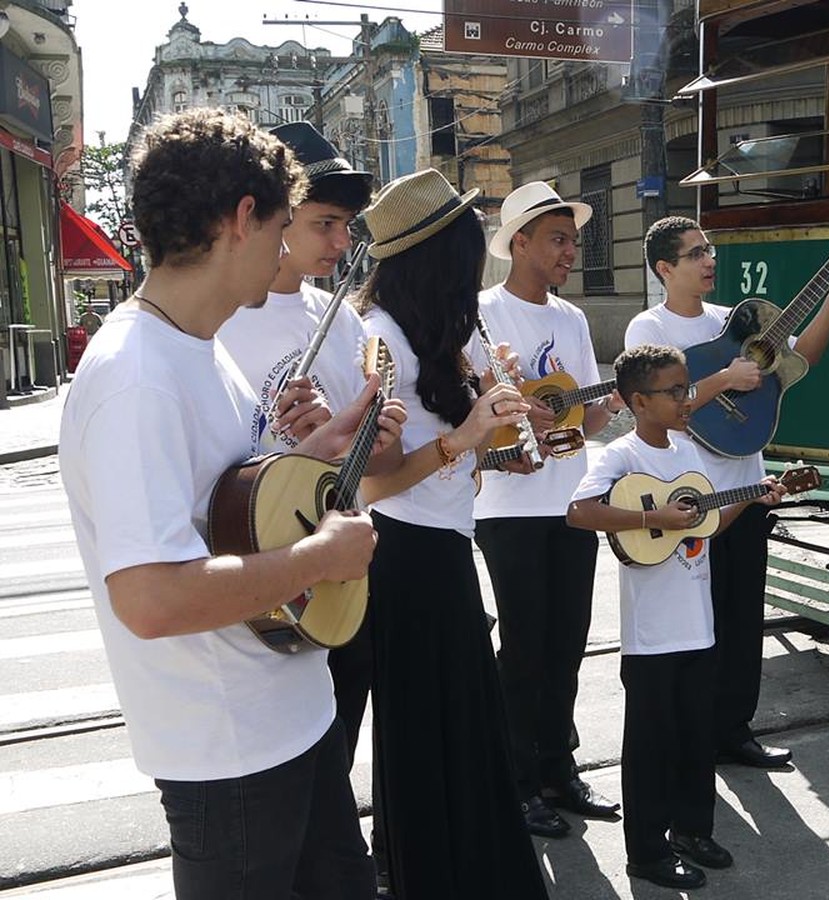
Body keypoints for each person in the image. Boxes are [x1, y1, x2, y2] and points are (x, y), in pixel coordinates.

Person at [58, 108, 404, 899]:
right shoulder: (135, 376)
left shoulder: (194, 343)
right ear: (242, 219)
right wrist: (322, 557)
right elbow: (149, 598)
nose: (289, 252)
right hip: (229, 751)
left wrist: (316, 453)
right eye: (285, 226)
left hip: (288, 713)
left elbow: (228, 497)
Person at [353, 169, 550, 899]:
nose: (478, 278)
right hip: (404, 560)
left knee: (467, 728)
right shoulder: (381, 342)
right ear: (437, 263)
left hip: (442, 549)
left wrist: (497, 433)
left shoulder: (438, 335)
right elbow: (371, 483)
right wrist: (467, 434)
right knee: (427, 736)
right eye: (469, 261)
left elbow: (457, 463)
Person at [626, 216, 829, 769]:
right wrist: (722, 382)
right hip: (688, 502)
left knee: (740, 619)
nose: (709, 260)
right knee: (694, 624)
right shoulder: (648, 329)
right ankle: (692, 734)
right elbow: (661, 408)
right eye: (694, 254)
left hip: (749, 491)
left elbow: (806, 355)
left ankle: (734, 731)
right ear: (665, 268)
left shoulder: (735, 321)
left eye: (709, 250)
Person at [567, 344, 786, 890]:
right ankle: (645, 851)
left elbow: (704, 525)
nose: (687, 400)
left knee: (694, 737)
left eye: (687, 388)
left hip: (698, 624)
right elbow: (579, 512)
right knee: (650, 744)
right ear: (638, 401)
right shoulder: (620, 456)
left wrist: (752, 497)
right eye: (674, 392)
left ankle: (693, 830)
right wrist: (652, 515)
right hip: (652, 635)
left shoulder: (690, 452)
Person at [217, 121, 379, 764]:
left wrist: (368, 428)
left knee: (340, 740)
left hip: (342, 555)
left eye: (348, 226)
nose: (342, 242)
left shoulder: (340, 316)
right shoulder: (220, 317)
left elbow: (369, 461)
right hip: (261, 575)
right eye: (323, 224)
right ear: (272, 216)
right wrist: (286, 445)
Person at [474, 181, 620, 838]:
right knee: (525, 646)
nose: (569, 251)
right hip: (507, 507)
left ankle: (559, 768)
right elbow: (471, 413)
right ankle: (516, 777)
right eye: (558, 239)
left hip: (569, 501)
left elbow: (583, 420)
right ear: (520, 243)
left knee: (567, 642)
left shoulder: (573, 319)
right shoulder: (482, 315)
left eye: (572, 239)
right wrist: (512, 413)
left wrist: (609, 405)